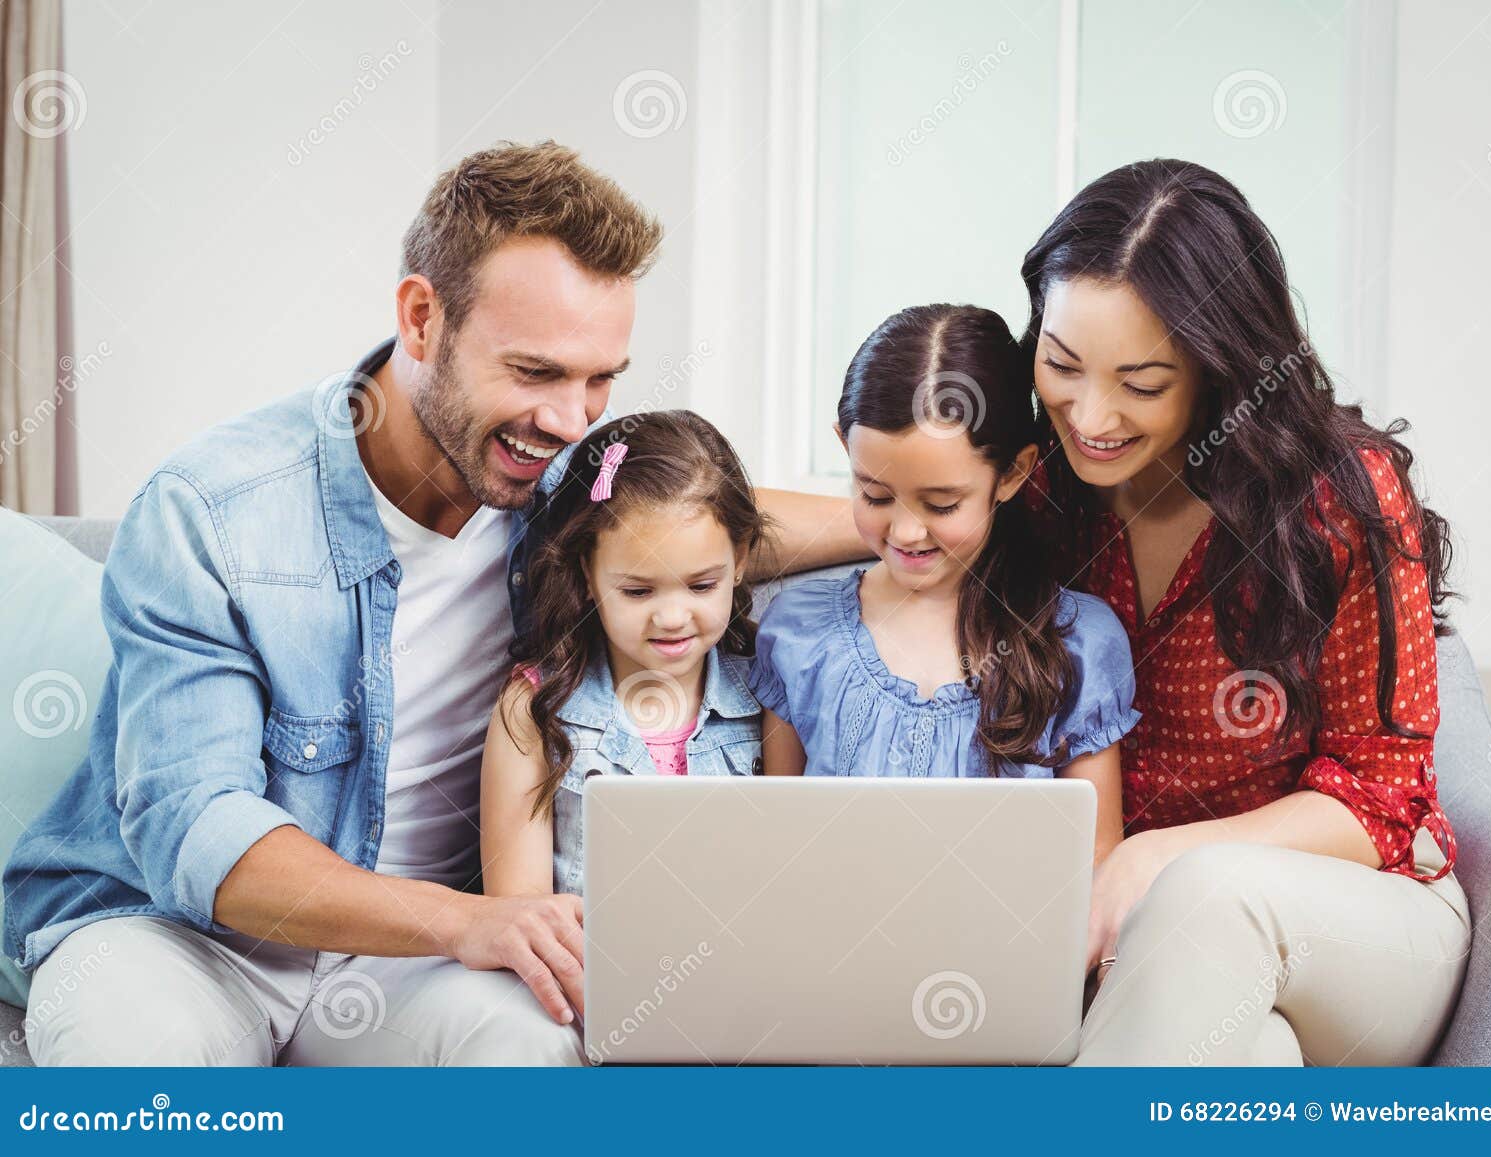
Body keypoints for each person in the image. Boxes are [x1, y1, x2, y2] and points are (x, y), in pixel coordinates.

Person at [4, 142, 860, 1066]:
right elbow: (196, 825)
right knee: (129, 1063)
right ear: (422, 318)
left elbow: (711, 530)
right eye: (535, 372)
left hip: (402, 968)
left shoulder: (563, 492)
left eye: (600, 377)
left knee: (534, 1057)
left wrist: (926, 519)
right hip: (178, 939)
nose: (573, 420)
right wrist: (472, 921)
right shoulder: (211, 512)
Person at [1019, 158, 1469, 1065]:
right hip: (1158, 954)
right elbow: (844, 517)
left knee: (1204, 895)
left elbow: (1383, 798)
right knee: (1253, 1060)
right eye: (1063, 365)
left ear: (1221, 367)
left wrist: (1155, 858)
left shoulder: (1337, 497)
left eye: (1141, 384)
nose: (1090, 413)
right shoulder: (1040, 491)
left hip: (1362, 923)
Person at [753, 304, 1135, 867]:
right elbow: (775, 842)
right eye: (876, 496)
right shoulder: (798, 630)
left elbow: (1099, 861)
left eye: (941, 503)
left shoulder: (1077, 641)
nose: (906, 531)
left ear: (1012, 473)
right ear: (846, 450)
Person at [479, 410, 766, 916]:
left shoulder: (769, 688)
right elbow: (518, 910)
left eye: (702, 585)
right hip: (586, 976)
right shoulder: (533, 706)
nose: (673, 617)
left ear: (740, 559)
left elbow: (783, 867)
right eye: (637, 590)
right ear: (587, 572)